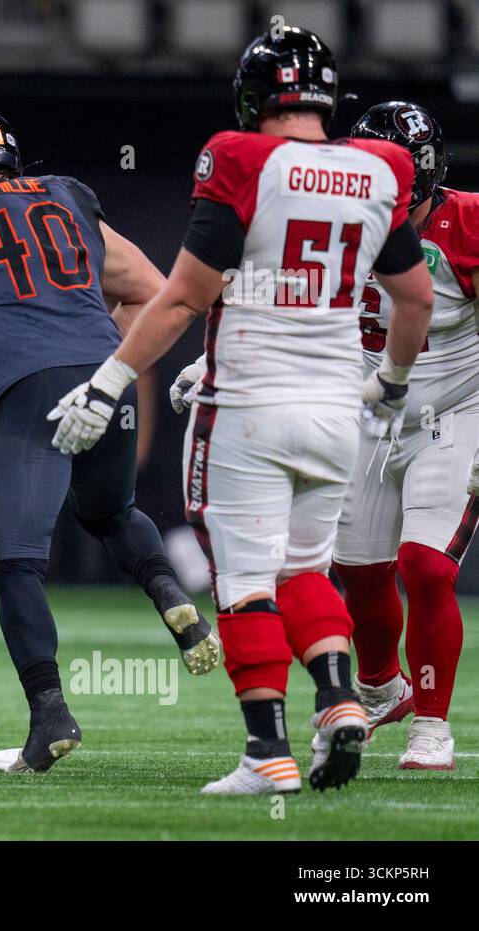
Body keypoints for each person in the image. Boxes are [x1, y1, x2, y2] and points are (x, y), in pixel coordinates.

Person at [51, 27, 435, 794]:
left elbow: (188, 297)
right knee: (305, 569)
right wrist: (390, 381)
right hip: (336, 410)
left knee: (246, 579)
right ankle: (337, 700)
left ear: (256, 96)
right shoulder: (381, 168)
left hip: (252, 403)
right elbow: (415, 298)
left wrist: (107, 382)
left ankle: (268, 751)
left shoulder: (239, 157)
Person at [0, 106, 219, 775]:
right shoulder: (64, 194)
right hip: (108, 381)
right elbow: (154, 293)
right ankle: (173, 598)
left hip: (29, 393)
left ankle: (50, 713)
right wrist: (96, 360)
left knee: (15, 559)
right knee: (110, 512)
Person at [331, 102, 475, 771]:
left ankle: (431, 726)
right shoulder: (331, 220)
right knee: (358, 573)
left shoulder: (467, 221)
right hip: (369, 415)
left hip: (455, 412)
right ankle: (381, 684)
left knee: (426, 566)